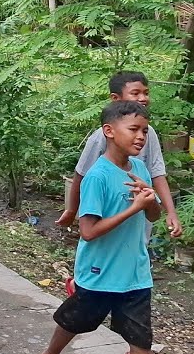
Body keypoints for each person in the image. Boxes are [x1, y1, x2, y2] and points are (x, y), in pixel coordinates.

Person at [34, 102, 181, 354]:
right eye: (134, 129)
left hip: (136, 275)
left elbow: (153, 217)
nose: (141, 136)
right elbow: (88, 230)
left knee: (141, 345)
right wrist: (134, 207)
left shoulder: (141, 169)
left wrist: (150, 204)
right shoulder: (98, 177)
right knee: (75, 323)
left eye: (145, 130)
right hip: (99, 274)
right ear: (109, 131)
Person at [59, 71, 181, 236]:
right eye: (135, 93)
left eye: (146, 93)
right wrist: (72, 210)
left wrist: (171, 212)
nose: (143, 98)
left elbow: (157, 173)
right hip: (107, 228)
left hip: (137, 232)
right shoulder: (100, 139)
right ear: (115, 98)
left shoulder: (147, 135)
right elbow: (80, 175)